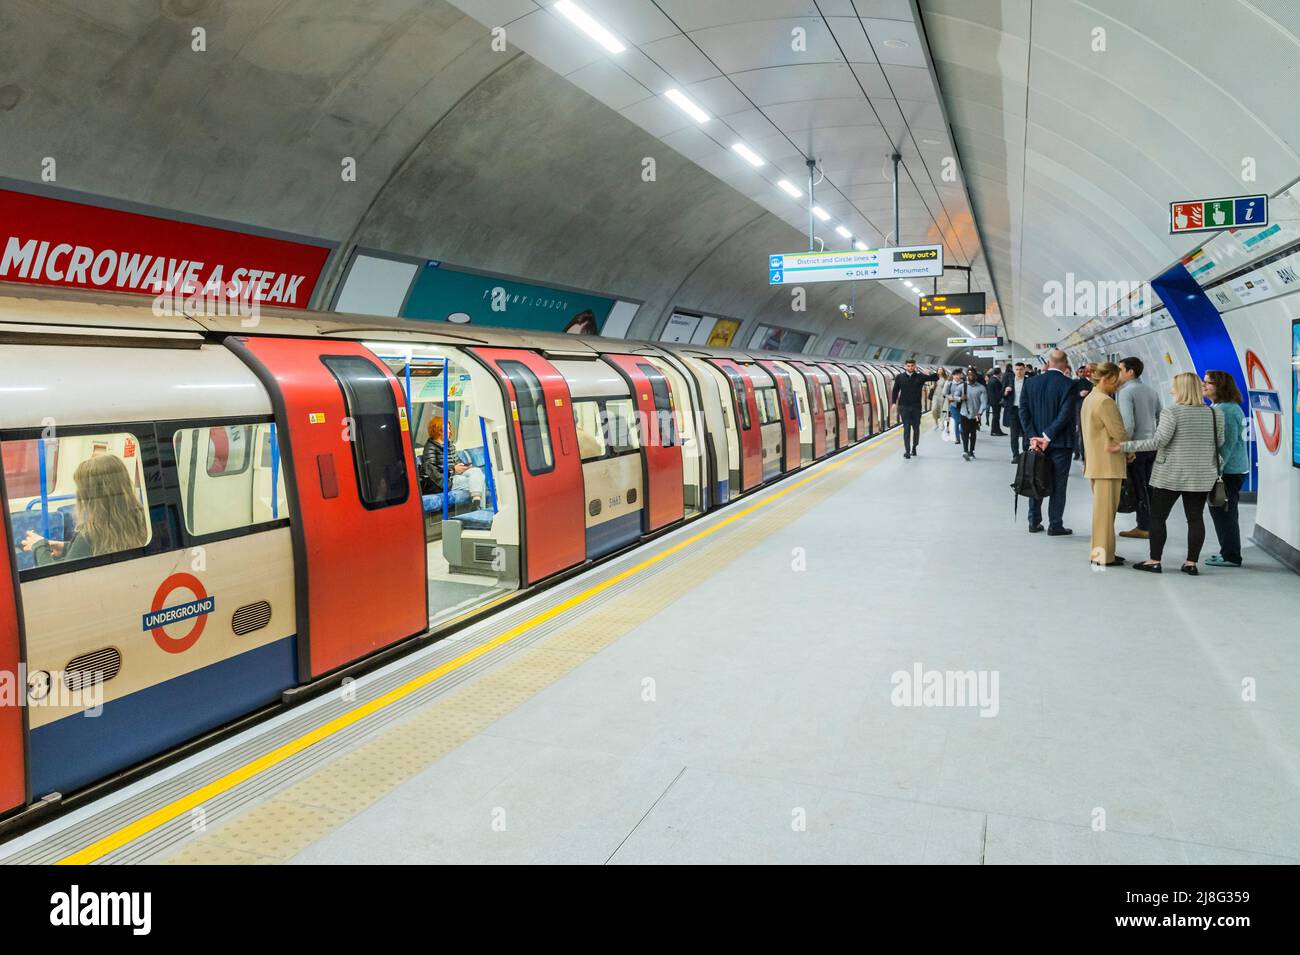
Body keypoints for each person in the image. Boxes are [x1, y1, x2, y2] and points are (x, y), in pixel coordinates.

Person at [1112, 372, 1225, 575]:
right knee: (1195, 519)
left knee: (1158, 517)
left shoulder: (1172, 412)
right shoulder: (1215, 414)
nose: (1171, 390)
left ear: (1181, 389)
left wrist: (1123, 446)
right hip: (1201, 475)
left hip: (1170, 474)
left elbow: (1157, 442)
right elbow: (1220, 442)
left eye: (1174, 386)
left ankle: (1154, 561)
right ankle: (1191, 563)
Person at [20, 454, 148, 564]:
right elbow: (98, 549)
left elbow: (60, 578)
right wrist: (65, 547)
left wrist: (38, 546)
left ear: (88, 495)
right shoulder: (140, 516)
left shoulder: (91, 532)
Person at [1019, 349, 1080, 535]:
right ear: (1065, 363)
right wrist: (1047, 436)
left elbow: (1023, 411)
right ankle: (1055, 525)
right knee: (1059, 484)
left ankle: (1034, 522)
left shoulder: (1030, 383)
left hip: (1035, 443)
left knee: (1035, 478)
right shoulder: (1069, 385)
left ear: (1048, 363)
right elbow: (1065, 415)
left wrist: (1034, 437)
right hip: (1060, 443)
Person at [1080, 363, 1129, 567]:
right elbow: (1119, 432)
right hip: (1107, 466)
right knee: (1104, 515)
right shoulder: (1105, 402)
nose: (1118, 384)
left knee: (1105, 514)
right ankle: (1101, 556)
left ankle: (1105, 552)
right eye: (1116, 380)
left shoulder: (1090, 399)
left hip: (1096, 463)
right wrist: (1131, 451)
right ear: (1106, 378)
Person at [1203, 370, 1249, 567]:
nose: (1204, 386)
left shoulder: (1227, 411)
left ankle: (1231, 555)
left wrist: (1215, 471)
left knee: (1225, 512)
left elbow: (1227, 446)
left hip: (1228, 472)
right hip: (1227, 470)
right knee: (1221, 511)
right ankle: (1227, 551)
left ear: (1220, 386)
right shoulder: (1220, 407)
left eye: (1208, 383)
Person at [1115, 357, 1162, 540]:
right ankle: (1151, 524)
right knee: (1149, 486)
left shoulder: (1126, 392)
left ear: (1130, 371)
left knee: (1138, 487)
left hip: (1136, 448)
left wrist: (1127, 448)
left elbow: (1128, 425)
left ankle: (1144, 526)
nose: (1119, 373)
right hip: (1151, 446)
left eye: (1121, 370)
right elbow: (1160, 416)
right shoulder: (1151, 391)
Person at [419, 413, 484, 509]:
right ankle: (477, 507)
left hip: (454, 475)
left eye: (449, 428)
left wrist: (463, 467)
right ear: (438, 430)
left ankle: (476, 503)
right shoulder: (430, 448)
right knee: (479, 480)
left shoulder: (450, 445)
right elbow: (432, 471)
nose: (449, 431)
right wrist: (453, 470)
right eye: (446, 429)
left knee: (477, 472)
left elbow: (456, 461)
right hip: (444, 481)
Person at [890, 358, 939, 458]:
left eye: (912, 366)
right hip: (904, 406)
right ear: (905, 366)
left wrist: (930, 372)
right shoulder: (900, 377)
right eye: (908, 366)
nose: (910, 368)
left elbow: (935, 378)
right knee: (906, 429)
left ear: (915, 366)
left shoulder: (920, 377)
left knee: (916, 429)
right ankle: (907, 451)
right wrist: (894, 402)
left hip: (916, 407)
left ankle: (914, 447)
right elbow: (895, 390)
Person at [954, 370, 987, 460]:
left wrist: (980, 413)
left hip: (976, 415)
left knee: (973, 433)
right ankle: (965, 450)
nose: (971, 376)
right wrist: (960, 398)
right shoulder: (962, 386)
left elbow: (984, 402)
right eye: (969, 375)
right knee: (964, 432)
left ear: (976, 376)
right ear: (967, 376)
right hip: (964, 413)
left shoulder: (981, 388)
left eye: (973, 375)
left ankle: (971, 451)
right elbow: (955, 397)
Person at [1003, 361, 1030, 461]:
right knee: (1014, 434)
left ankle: (1025, 454)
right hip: (1013, 410)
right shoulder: (1009, 380)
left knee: (1026, 434)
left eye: (1021, 369)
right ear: (1014, 370)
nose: (1019, 372)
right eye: (1017, 369)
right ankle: (1015, 455)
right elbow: (1002, 396)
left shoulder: (1029, 381)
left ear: (1025, 370)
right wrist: (1006, 392)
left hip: (1025, 410)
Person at [1073, 364, 1094, 463]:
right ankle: (1080, 454)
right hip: (1078, 410)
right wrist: (1079, 394)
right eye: (1080, 371)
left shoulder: (1090, 384)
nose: (1082, 373)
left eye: (1084, 371)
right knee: (1079, 433)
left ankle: (1085, 454)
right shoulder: (1074, 383)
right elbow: (1070, 397)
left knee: (1087, 433)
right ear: (1077, 373)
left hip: (1089, 409)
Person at [945, 368, 966, 443]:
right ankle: (958, 438)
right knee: (957, 421)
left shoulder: (965, 384)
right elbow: (945, 394)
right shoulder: (950, 384)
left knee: (963, 421)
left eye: (958, 374)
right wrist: (951, 398)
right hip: (954, 405)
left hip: (964, 405)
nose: (957, 376)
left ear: (961, 375)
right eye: (955, 375)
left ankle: (963, 435)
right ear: (953, 376)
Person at [986, 367, 1005, 435]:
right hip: (996, 401)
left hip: (993, 401)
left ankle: (997, 430)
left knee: (996, 416)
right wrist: (1000, 400)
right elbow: (997, 392)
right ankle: (994, 431)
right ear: (999, 373)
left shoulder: (991, 379)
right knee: (996, 416)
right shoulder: (995, 381)